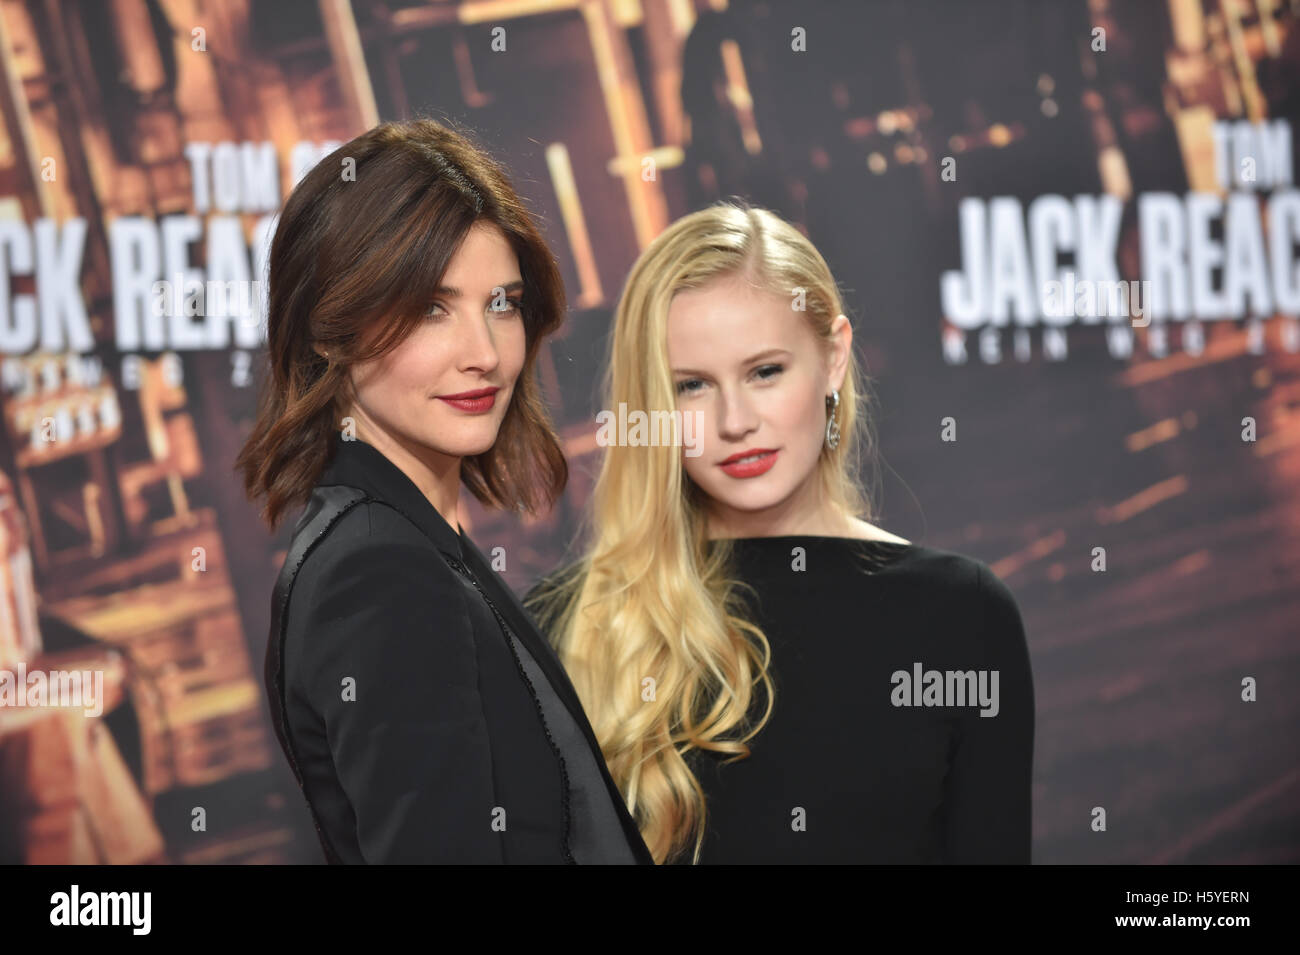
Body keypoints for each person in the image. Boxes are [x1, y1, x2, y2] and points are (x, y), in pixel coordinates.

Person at [525, 201, 1035, 864]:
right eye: (691, 386)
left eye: (765, 371)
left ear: (833, 357)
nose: (735, 420)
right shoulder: (570, 622)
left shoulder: (963, 614)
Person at [236, 118, 652, 864]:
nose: (484, 353)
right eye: (431, 308)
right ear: (329, 330)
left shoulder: (404, 537)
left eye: (502, 303)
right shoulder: (378, 571)